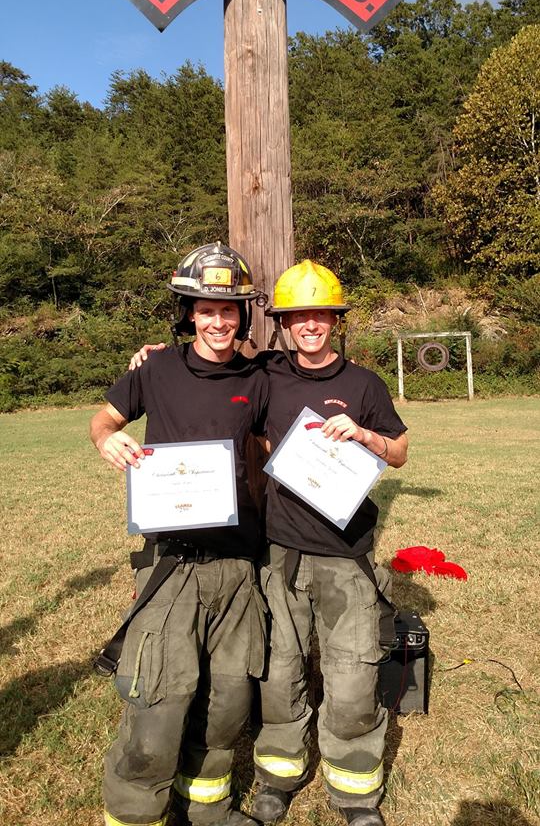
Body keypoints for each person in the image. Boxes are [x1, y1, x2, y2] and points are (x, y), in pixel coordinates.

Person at [130, 259, 408, 826]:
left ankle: (355, 794)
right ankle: (278, 777)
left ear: (335, 320)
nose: (310, 326)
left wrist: (365, 435)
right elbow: (211, 369)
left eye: (320, 316)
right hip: (279, 550)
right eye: (297, 317)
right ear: (281, 323)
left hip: (347, 554)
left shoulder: (365, 384)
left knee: (353, 676)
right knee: (280, 675)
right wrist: (153, 360)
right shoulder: (267, 374)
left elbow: (399, 451)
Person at [90, 242, 269, 826]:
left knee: (227, 701)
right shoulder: (157, 368)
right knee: (159, 699)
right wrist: (105, 439)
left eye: (230, 310)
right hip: (172, 561)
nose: (218, 321)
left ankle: (206, 810)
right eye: (206, 309)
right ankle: (136, 814)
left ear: (243, 315)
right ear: (189, 312)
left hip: (240, 562)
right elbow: (106, 418)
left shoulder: (258, 375)